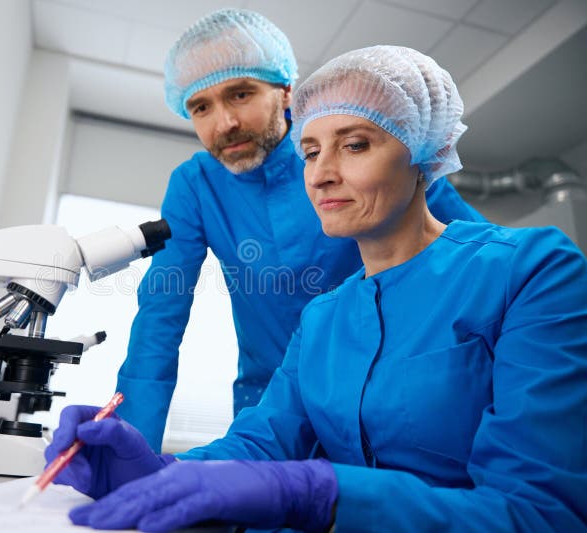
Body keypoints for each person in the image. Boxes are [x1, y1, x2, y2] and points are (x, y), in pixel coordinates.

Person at [46, 45, 587, 532]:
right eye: (309, 152)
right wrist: (152, 468)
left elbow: (543, 513)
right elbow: (263, 441)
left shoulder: (531, 272)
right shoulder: (324, 318)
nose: (321, 174)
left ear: (425, 152)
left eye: (355, 145)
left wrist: (319, 493)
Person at [116, 8, 485, 453]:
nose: (224, 123)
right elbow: (161, 314)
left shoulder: (348, 155)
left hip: (382, 387)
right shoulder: (195, 184)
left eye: (240, 94)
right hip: (269, 401)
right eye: (200, 106)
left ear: (287, 91)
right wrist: (129, 446)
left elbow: (478, 259)